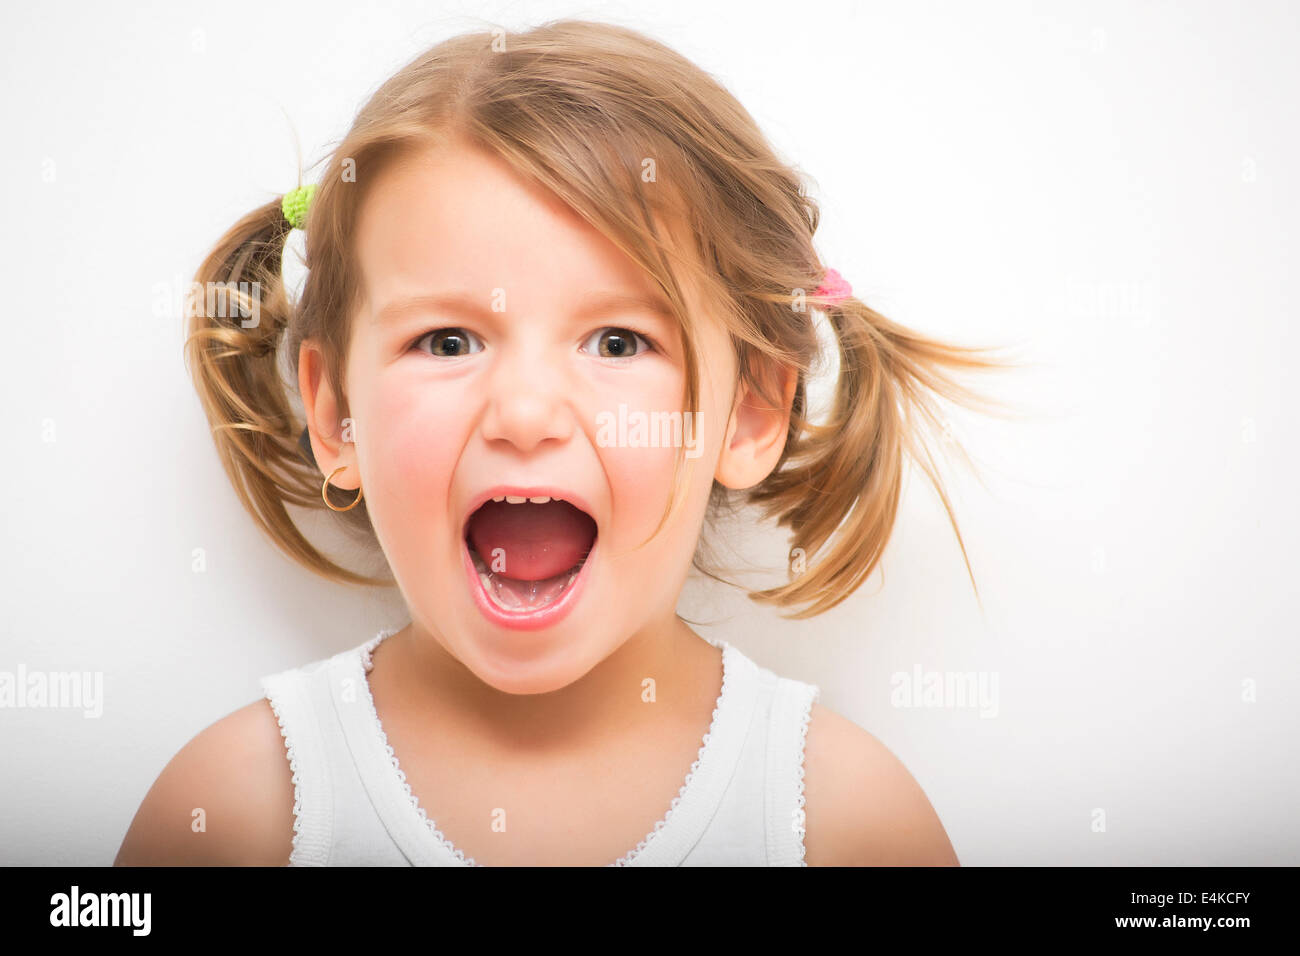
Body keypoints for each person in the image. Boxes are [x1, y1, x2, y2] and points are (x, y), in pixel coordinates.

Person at [116, 18, 1022, 866]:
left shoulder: (843, 822)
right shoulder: (239, 814)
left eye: (618, 343)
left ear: (749, 413)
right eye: (447, 342)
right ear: (335, 416)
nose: (523, 413)